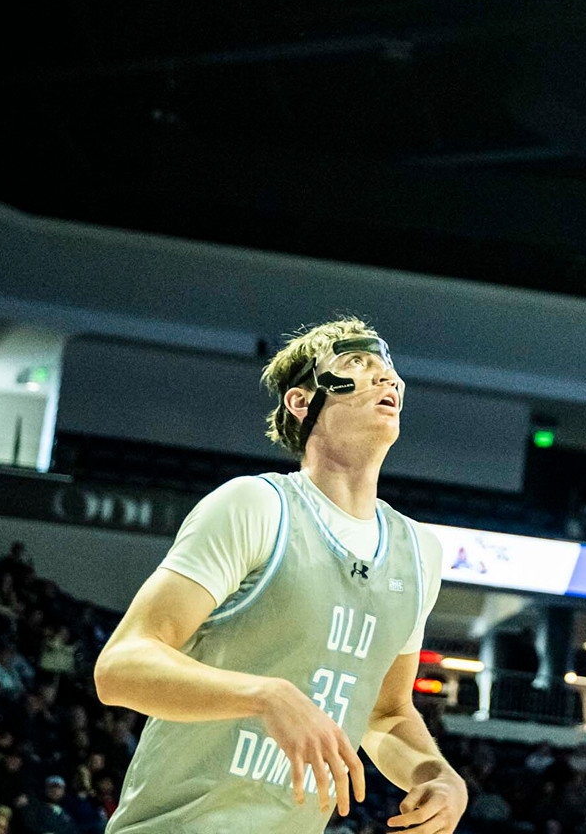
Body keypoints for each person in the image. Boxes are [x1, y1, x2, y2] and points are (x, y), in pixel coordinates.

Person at [93, 318, 466, 833]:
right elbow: (120, 668)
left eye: (389, 370)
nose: (387, 379)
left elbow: (386, 713)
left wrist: (439, 774)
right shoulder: (255, 505)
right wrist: (264, 695)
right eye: (358, 365)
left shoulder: (420, 552)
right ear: (301, 401)